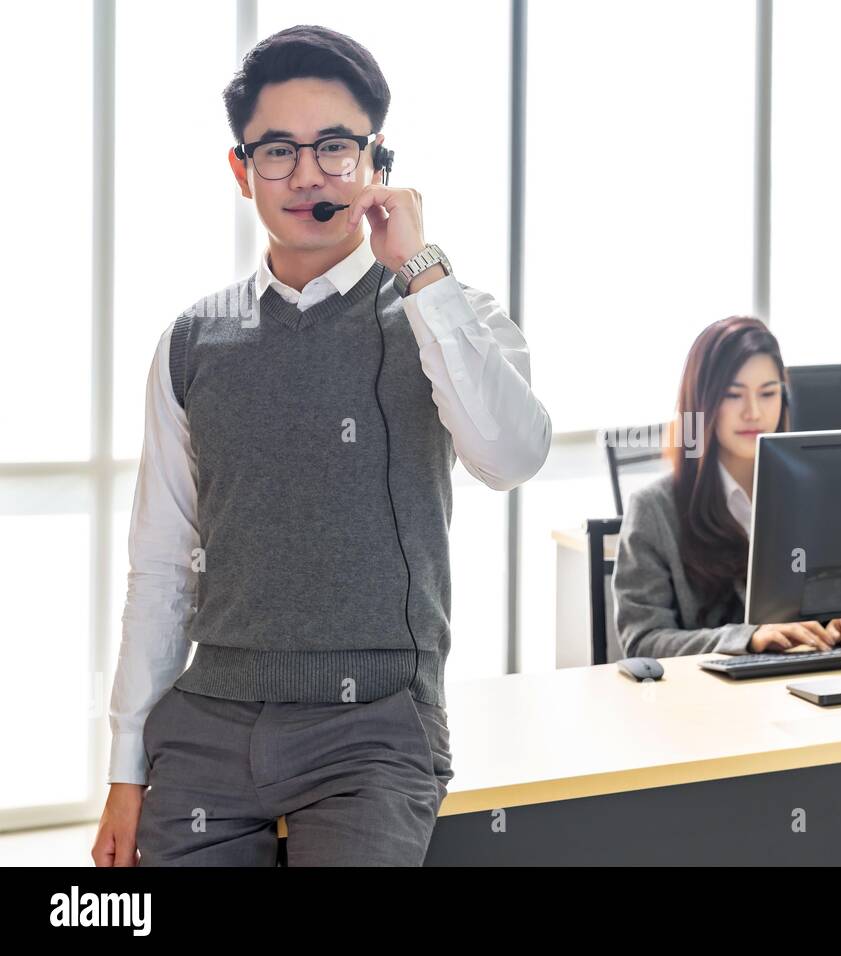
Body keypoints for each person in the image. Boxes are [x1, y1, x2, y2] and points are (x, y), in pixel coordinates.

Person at [93, 25, 551, 866]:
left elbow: (511, 456)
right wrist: (125, 772)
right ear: (242, 171)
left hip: (375, 729)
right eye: (277, 151)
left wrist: (419, 271)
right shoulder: (193, 341)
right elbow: (160, 564)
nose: (307, 175)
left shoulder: (446, 309)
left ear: (377, 160)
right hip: (207, 726)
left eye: (335, 147)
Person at [613, 316, 841, 657]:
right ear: (702, 402)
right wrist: (747, 638)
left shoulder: (818, 496)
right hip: (710, 702)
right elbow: (642, 640)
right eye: (733, 395)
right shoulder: (654, 509)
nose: (753, 412)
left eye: (768, 393)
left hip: (815, 688)